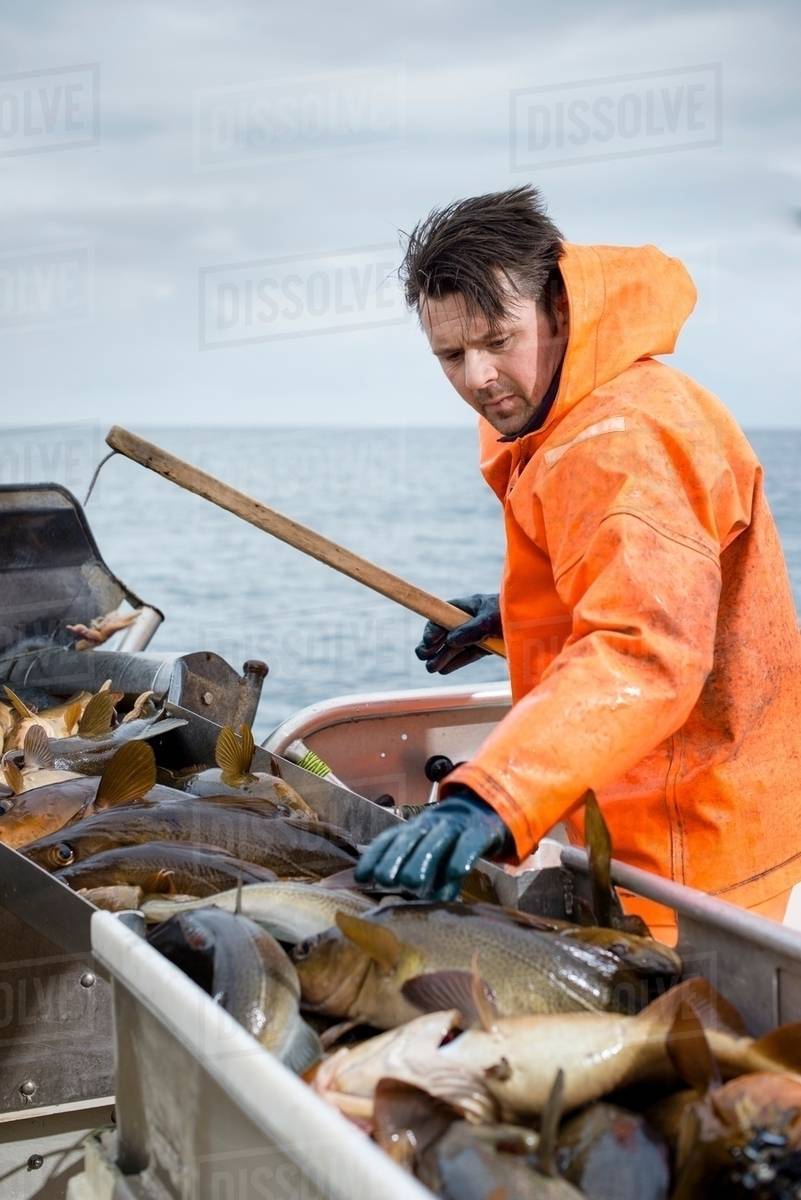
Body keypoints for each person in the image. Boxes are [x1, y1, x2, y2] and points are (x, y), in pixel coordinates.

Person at [355, 184, 801, 939]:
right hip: (625, 821)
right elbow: (630, 585)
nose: (477, 378)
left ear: (558, 309)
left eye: (498, 341)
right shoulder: (562, 410)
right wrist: (519, 617)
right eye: (450, 355)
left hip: (692, 846)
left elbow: (643, 650)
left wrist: (488, 798)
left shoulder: (623, 438)